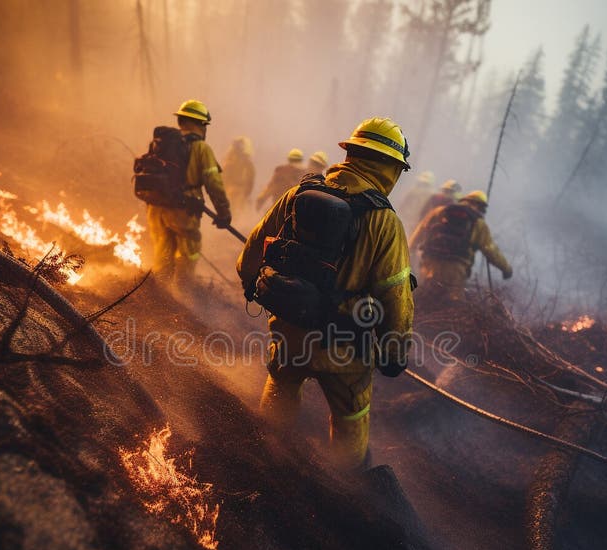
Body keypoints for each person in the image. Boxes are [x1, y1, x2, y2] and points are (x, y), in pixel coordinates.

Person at [237, 117, 414, 471]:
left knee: (281, 387)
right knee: (351, 415)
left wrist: (249, 281)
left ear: (350, 152)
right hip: (345, 348)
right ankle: (343, 489)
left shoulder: (298, 194)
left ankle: (264, 460)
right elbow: (395, 296)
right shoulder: (384, 221)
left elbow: (254, 247)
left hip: (289, 328)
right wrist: (394, 352)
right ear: (392, 167)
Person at [146, 99, 232, 284]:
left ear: (181, 121)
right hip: (183, 210)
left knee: (163, 252)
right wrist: (224, 213)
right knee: (189, 253)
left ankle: (159, 294)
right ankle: (185, 293)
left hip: (157, 207)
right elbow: (213, 183)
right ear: (201, 124)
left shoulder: (162, 143)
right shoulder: (201, 148)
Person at [408, 189, 512, 301]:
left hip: (430, 264)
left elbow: (418, 233)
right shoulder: (478, 223)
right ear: (480, 206)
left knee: (424, 299)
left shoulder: (438, 212)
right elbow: (491, 251)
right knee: (453, 305)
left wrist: (408, 252)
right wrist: (506, 269)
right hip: (456, 269)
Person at [222, 136, 255, 216]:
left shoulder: (228, 159)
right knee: (238, 212)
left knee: (232, 211)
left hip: (231, 189)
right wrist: (247, 191)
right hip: (239, 190)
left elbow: (223, 176)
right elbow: (251, 177)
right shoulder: (245, 160)